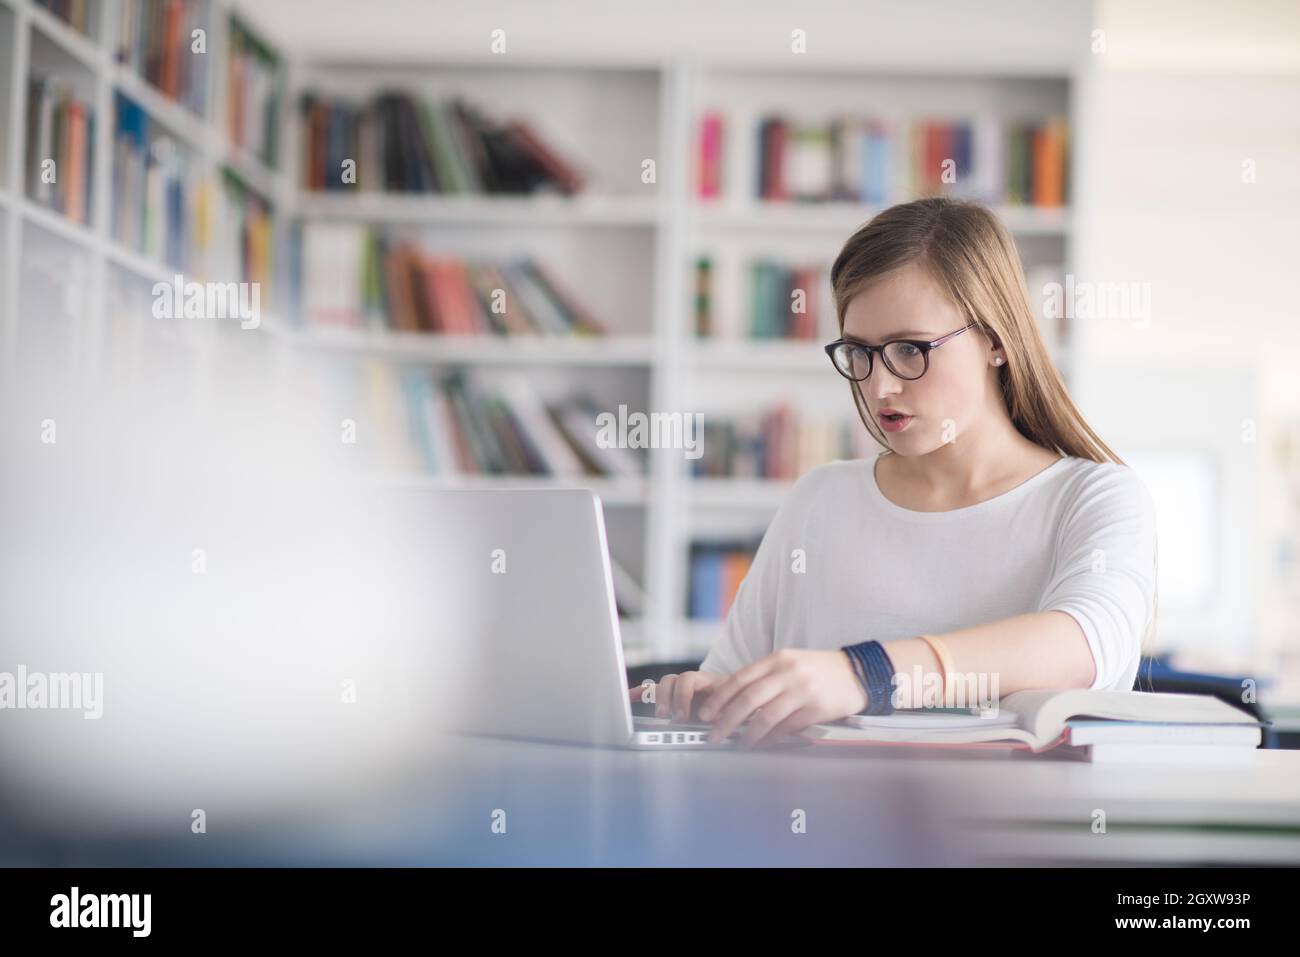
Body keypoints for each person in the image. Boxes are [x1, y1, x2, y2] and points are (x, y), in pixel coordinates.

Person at [630, 197, 1158, 749]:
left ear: (997, 341)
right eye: (860, 352)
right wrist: (705, 697)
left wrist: (865, 673)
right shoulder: (821, 499)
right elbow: (734, 683)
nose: (881, 386)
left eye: (910, 349)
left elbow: (1082, 646)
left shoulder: (1094, 497)